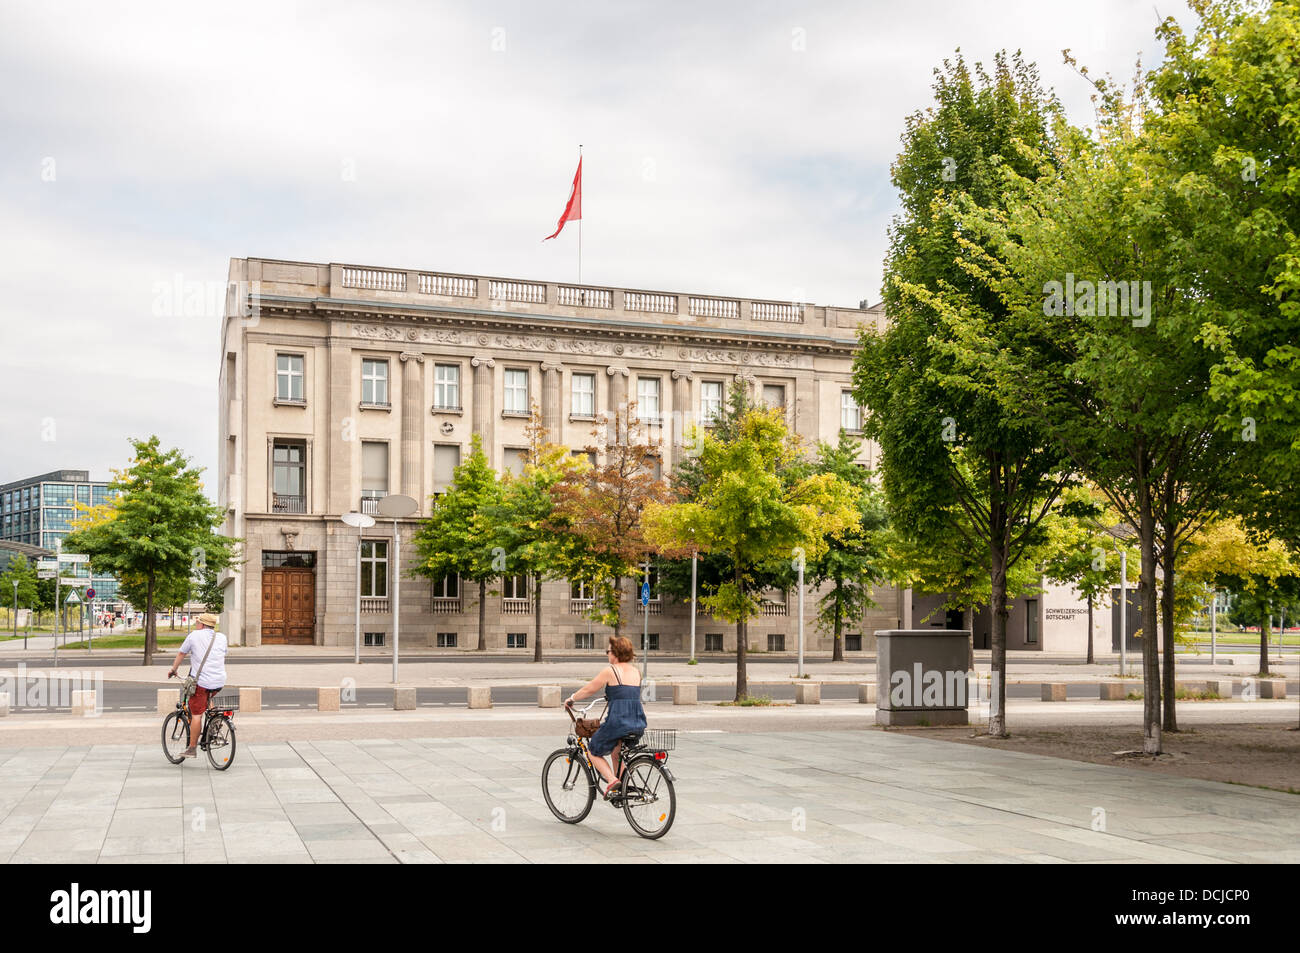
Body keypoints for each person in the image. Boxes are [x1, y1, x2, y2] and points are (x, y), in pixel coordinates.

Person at [565, 636, 647, 797]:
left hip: (618, 722)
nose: (607, 654)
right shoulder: (636, 672)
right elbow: (625, 694)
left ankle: (611, 780)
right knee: (616, 753)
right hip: (637, 721)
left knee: (592, 752)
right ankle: (622, 789)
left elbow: (589, 689)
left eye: (608, 651)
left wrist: (572, 699)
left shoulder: (610, 670)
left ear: (615, 653)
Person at [167, 612, 228, 759]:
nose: (196, 624)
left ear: (202, 624)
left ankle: (192, 748)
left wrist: (173, 670)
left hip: (201, 682)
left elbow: (181, 654)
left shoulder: (194, 635)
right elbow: (223, 653)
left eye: (197, 622)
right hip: (219, 681)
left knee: (196, 714)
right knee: (207, 696)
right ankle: (215, 721)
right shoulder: (222, 637)